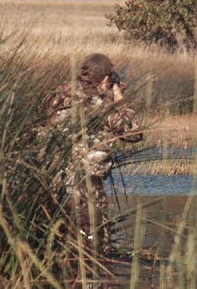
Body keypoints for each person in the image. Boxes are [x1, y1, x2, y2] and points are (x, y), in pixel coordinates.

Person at [43, 53, 142, 257]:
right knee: (94, 245)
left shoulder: (59, 95)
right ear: (105, 79)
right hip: (86, 185)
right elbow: (133, 133)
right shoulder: (100, 104)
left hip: (55, 183)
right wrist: (118, 98)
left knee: (63, 241)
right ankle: (90, 283)